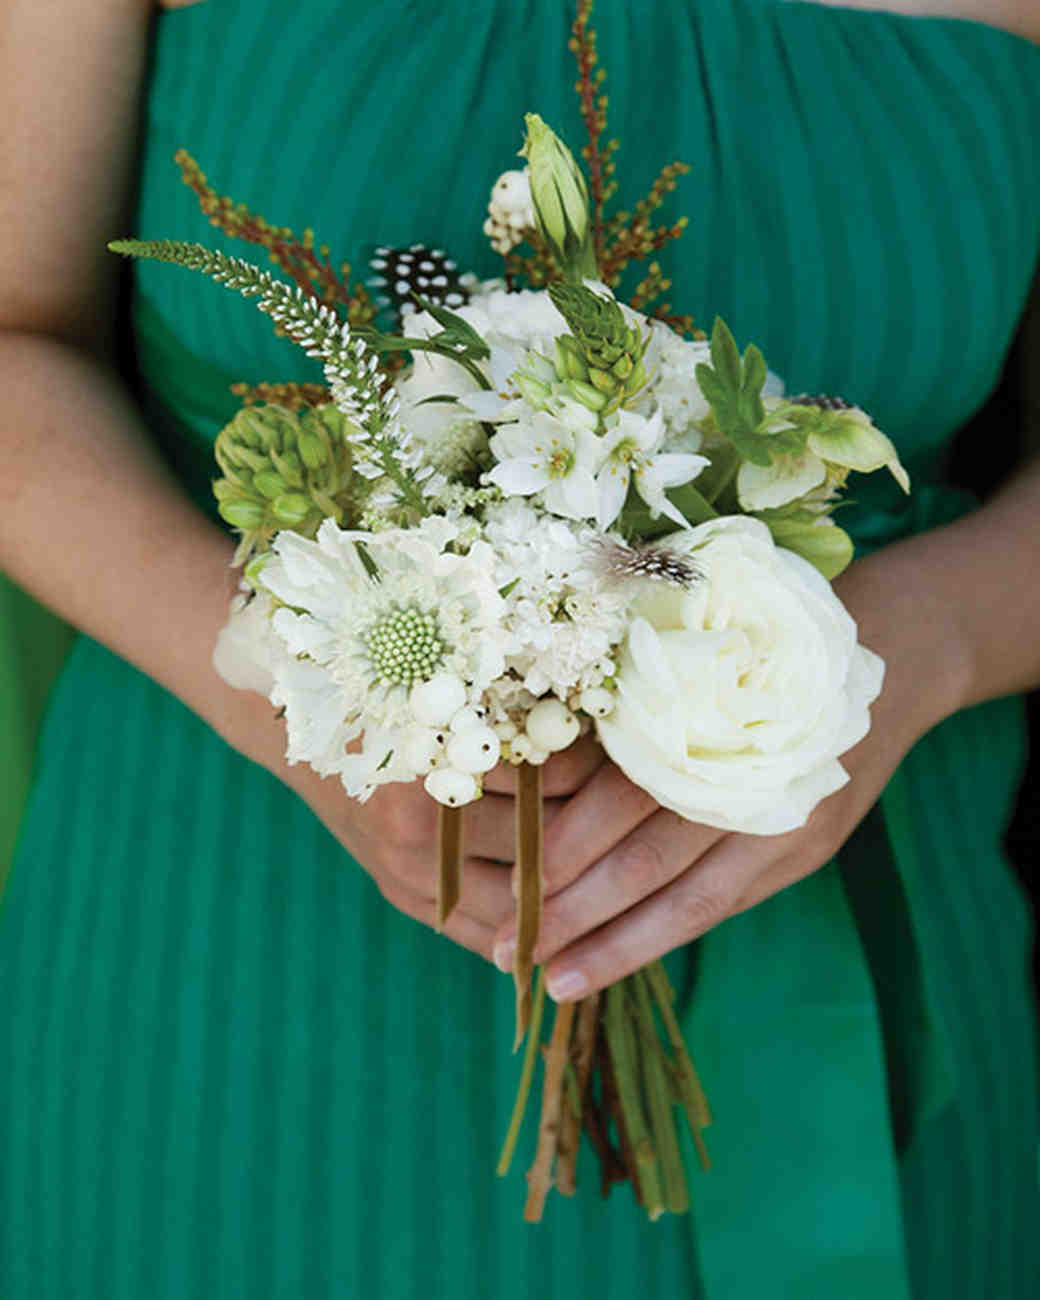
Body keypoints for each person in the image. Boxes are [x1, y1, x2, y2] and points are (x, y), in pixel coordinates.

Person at [1, 1, 1038, 1296]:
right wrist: (311, 694)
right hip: (230, 950)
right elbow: (13, 342)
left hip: (852, 917)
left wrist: (900, 653)